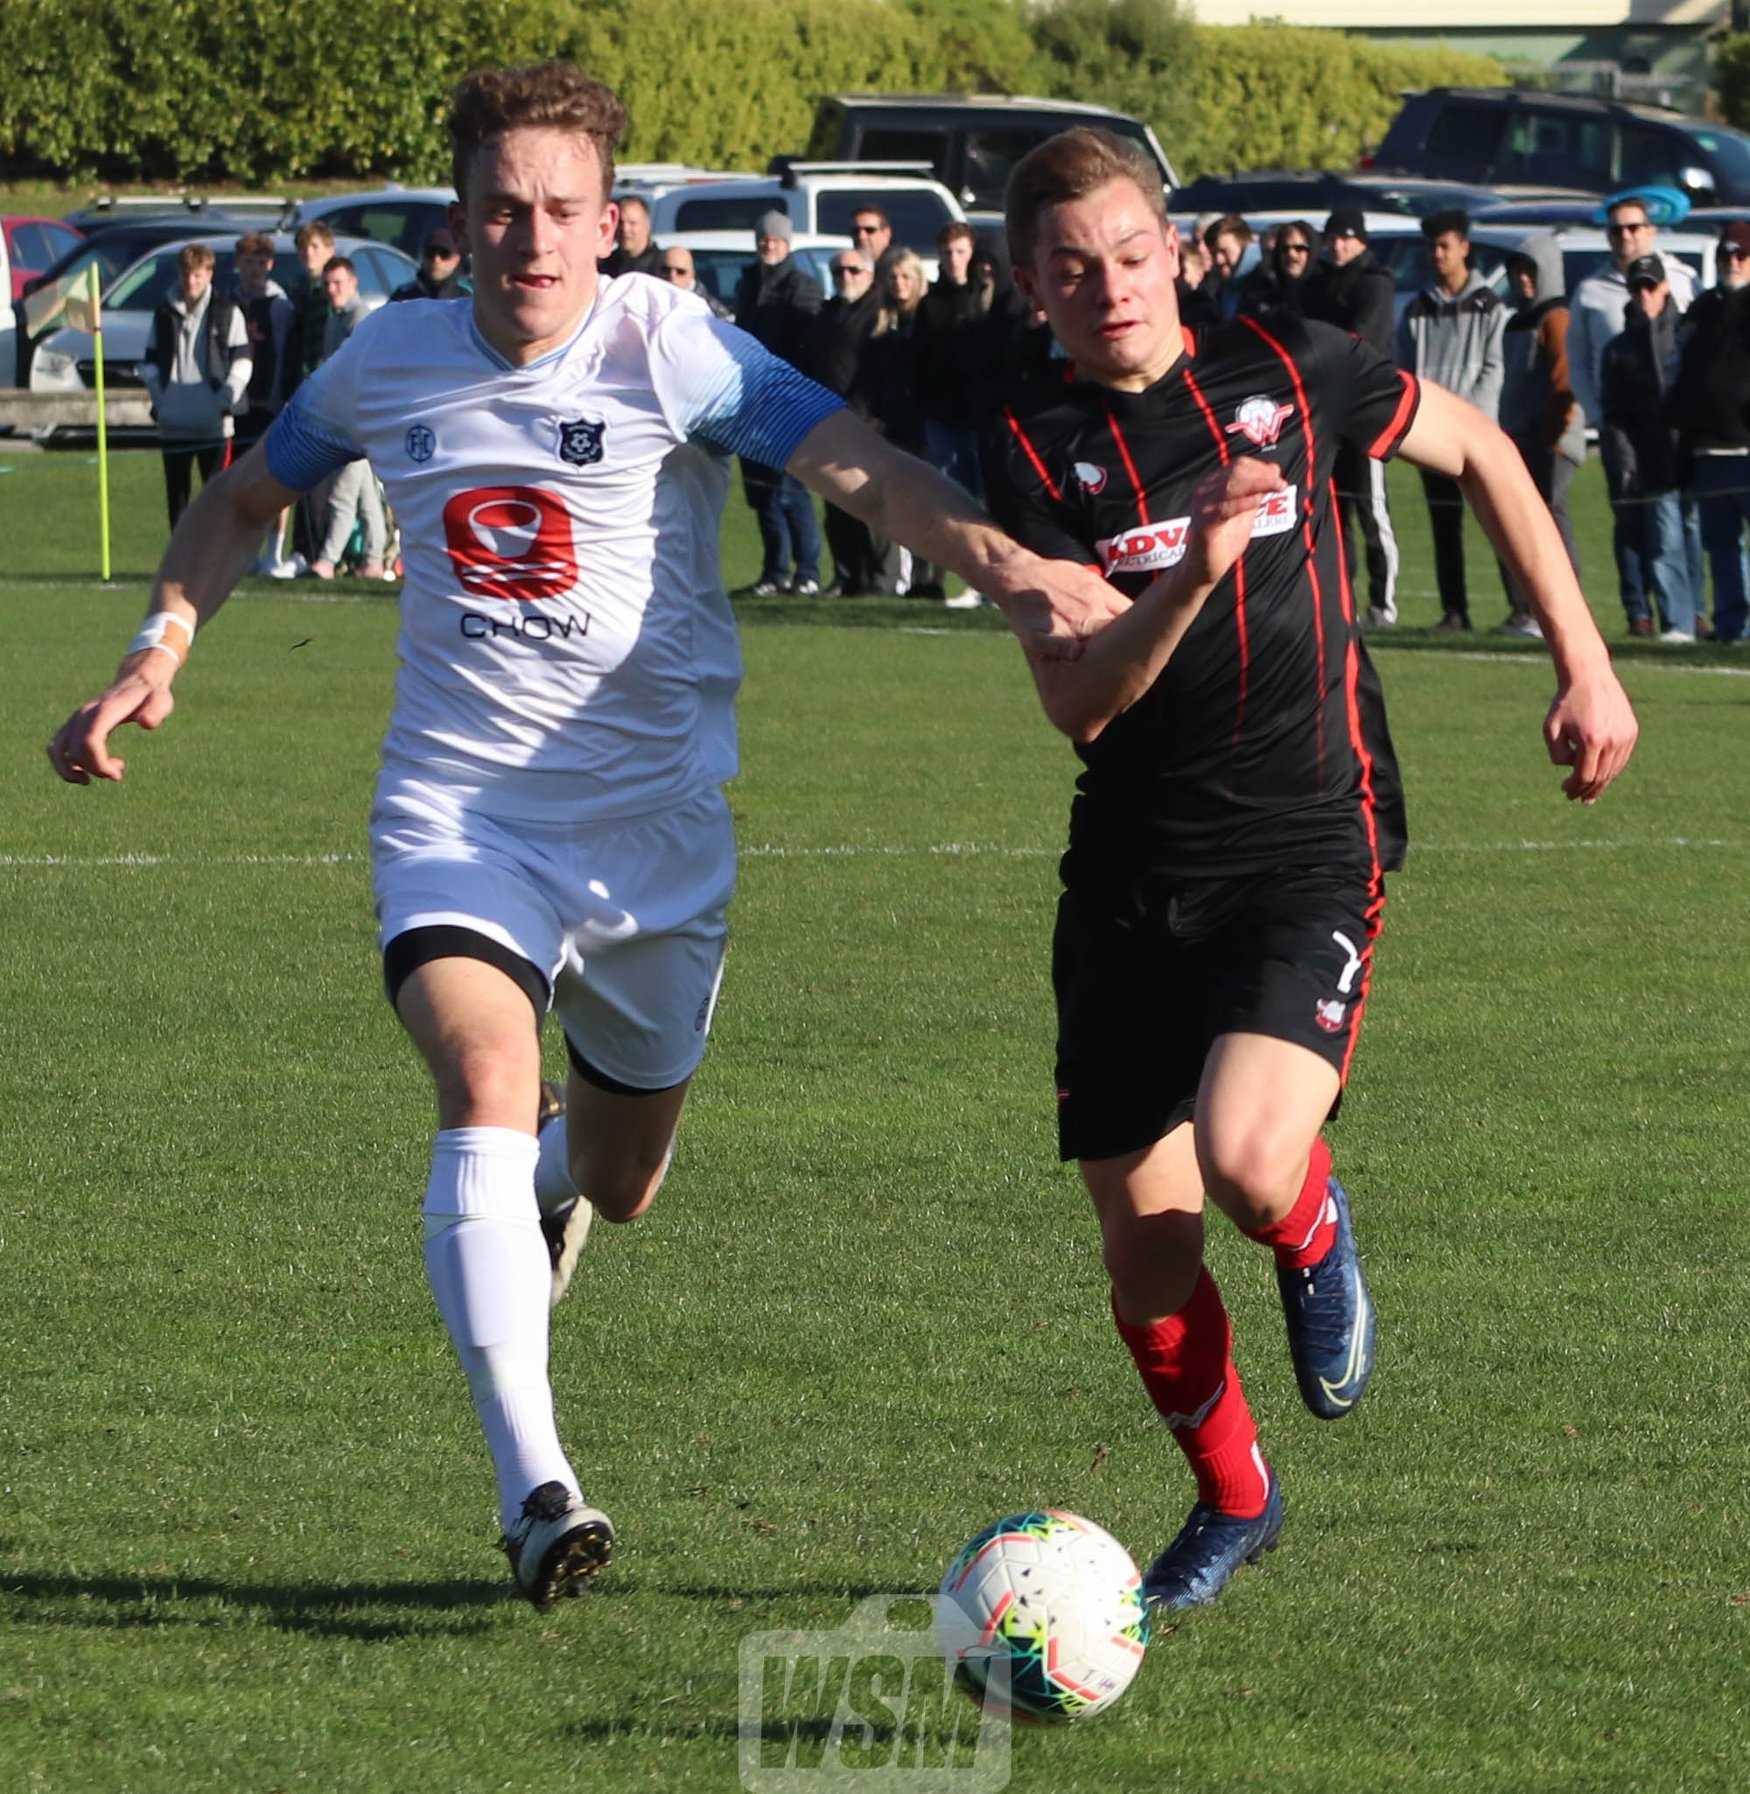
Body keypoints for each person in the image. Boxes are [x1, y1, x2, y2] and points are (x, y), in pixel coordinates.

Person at [46, 60, 1121, 1613]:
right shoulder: (386, 364)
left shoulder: (668, 344)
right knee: (482, 1073)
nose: (530, 242)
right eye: (499, 210)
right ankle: (534, 1485)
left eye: (560, 211)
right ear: (461, 216)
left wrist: (1013, 569)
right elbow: (236, 505)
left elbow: (858, 470)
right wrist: (160, 647)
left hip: (655, 843)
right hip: (462, 815)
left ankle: (557, 1175)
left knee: (622, 1182)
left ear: (607, 218)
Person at [981, 127, 1636, 1613]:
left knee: (1246, 1155)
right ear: (1032, 283)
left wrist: (1584, 663)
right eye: (1072, 267)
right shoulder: (1026, 450)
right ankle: (1237, 1499)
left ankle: (1311, 1226)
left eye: (1131, 255)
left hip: (1305, 840)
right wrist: (1192, 571)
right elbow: (1081, 703)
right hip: (1130, 876)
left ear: (1173, 253)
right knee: (1144, 1259)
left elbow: (1477, 447)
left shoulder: (1290, 364)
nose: (1109, 288)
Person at [1568, 193, 1699, 639]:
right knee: (1630, 522)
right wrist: (1599, 418)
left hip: (1676, 432)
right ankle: (1638, 611)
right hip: (1620, 426)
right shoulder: (1591, 290)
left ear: (1651, 230)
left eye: (1634, 227)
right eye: (1617, 229)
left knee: (1682, 522)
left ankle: (1688, 611)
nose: (1626, 236)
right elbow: (1581, 361)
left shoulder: (1682, 278)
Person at [1397, 210, 1506, 631]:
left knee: (1498, 521)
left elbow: (1493, 369)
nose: (1437, 255)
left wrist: (1473, 422)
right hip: (1433, 436)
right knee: (1444, 527)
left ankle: (1522, 609)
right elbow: (1405, 371)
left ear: (1465, 247)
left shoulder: (1489, 306)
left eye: (1445, 246)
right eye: (1432, 247)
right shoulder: (1418, 308)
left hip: (1476, 434)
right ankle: (1455, 610)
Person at [1302, 209, 1399, 626]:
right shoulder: (1317, 283)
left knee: (1371, 509)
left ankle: (1384, 603)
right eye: (1332, 238)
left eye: (1346, 238)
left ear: (1361, 240)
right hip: (1324, 413)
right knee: (1332, 511)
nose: (1338, 245)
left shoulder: (1374, 282)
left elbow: (1363, 342)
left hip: (1363, 412)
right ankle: (1343, 598)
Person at [1600, 254, 1698, 643]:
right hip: (1651, 459)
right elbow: (1614, 414)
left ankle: (1701, 617)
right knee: (1665, 540)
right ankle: (1676, 621)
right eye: (1636, 287)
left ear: (1665, 288)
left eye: (1650, 286)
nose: (1643, 295)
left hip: (1690, 454)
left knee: (1696, 538)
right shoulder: (1620, 348)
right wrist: (1626, 462)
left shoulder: (1687, 334)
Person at [1495, 234, 1583, 638]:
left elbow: (1563, 379)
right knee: (1521, 522)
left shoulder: (1556, 317)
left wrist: (1551, 433)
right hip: (1519, 437)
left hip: (1551, 440)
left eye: (1531, 271)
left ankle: (1565, 607)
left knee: (1550, 517)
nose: (1523, 280)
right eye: (1518, 271)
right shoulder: (1517, 320)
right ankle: (1526, 607)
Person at [732, 209, 824, 595]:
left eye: (776, 240)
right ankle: (774, 571)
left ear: (787, 244)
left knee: (790, 490)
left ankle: (808, 572)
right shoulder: (747, 283)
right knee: (762, 492)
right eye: (764, 240)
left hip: (785, 399)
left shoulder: (802, 286)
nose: (769, 246)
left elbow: (806, 346)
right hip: (750, 398)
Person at [1674, 223, 1750, 645]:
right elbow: (1683, 369)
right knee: (1720, 548)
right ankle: (1730, 624)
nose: (1732, 264)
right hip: (1709, 450)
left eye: (1741, 256)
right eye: (1726, 257)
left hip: (1747, 448)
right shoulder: (1703, 309)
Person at [142, 242, 252, 531]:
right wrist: (161, 400)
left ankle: (213, 560)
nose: (191, 282)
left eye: (198, 276)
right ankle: (179, 563)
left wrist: (225, 398)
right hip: (173, 421)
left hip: (213, 425)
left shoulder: (227, 311)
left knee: (216, 497)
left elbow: (243, 361)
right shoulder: (164, 312)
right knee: (177, 498)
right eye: (187, 275)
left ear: (210, 275)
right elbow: (150, 362)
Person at [856, 249, 933, 596]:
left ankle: (926, 580)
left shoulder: (927, 319)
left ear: (918, 280)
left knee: (928, 506)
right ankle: (888, 577)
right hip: (888, 425)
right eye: (893, 277)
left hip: (924, 424)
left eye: (906, 277)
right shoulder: (880, 321)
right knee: (888, 503)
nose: (900, 284)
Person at [809, 247, 885, 594]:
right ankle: (846, 575)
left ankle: (875, 577)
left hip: (866, 419)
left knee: (868, 502)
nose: (846, 277)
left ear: (868, 274)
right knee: (835, 503)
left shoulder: (878, 313)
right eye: (839, 271)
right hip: (828, 419)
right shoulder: (829, 312)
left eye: (853, 270)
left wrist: (867, 413)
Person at [309, 256, 389, 581]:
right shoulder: (336, 318)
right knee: (365, 493)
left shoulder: (359, 318)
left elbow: (356, 374)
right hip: (346, 417)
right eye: (328, 283)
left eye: (338, 283)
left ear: (354, 283)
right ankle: (373, 560)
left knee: (343, 493)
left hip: (357, 420)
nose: (332, 290)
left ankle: (327, 561)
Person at [231, 232, 298, 575]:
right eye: (248, 263)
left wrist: (283, 396)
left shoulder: (279, 304)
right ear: (237, 265)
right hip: (237, 402)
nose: (255, 270)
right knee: (239, 479)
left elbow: (287, 352)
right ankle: (243, 551)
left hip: (270, 400)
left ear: (270, 265)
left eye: (261, 263)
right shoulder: (229, 301)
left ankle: (274, 551)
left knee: (274, 477)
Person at [392, 227, 470, 302]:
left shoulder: (468, 296)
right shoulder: (403, 295)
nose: (436, 260)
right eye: (430, 252)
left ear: (457, 258)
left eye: (444, 254)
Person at [657, 244, 730, 319]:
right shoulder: (648, 300)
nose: (672, 276)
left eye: (680, 272)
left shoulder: (712, 311)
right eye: (665, 270)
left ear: (692, 275)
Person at [600, 193, 661, 277]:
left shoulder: (664, 268)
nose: (625, 229)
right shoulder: (604, 266)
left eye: (632, 223)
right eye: (620, 222)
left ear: (647, 225)